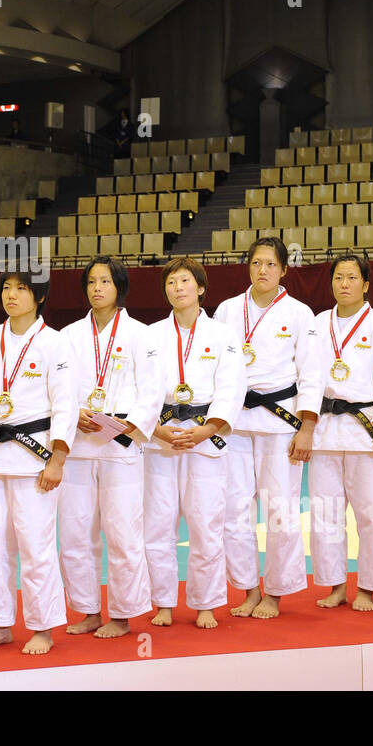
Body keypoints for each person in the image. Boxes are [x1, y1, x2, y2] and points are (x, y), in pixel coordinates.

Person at [0, 270, 75, 655]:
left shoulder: (54, 343)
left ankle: (43, 627)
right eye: (6, 288)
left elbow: (66, 403)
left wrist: (57, 459)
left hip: (34, 458)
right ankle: (1, 623)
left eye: (21, 289)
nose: (12, 295)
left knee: (35, 545)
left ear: (39, 297)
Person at [212, 236, 323, 619]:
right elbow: (215, 367)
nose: (263, 271)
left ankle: (275, 591)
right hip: (235, 421)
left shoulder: (300, 313)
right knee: (234, 508)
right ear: (248, 267)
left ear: (284, 270)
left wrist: (307, 428)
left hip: (281, 421)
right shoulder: (227, 310)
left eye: (270, 265)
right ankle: (247, 588)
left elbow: (312, 375)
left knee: (280, 509)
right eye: (256, 263)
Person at [57, 257, 163, 638]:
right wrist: (75, 413)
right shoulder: (67, 336)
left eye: (105, 281)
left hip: (120, 442)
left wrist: (128, 427)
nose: (97, 288)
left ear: (119, 287)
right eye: (91, 282)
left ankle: (122, 613)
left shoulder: (141, 334)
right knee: (75, 531)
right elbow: (59, 388)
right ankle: (87, 610)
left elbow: (153, 391)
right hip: (80, 442)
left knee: (122, 530)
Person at [143, 257, 246, 629]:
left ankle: (206, 602)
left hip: (205, 438)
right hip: (162, 437)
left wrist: (209, 429)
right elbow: (140, 390)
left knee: (206, 524)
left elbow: (232, 387)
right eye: (171, 282)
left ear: (201, 288)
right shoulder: (150, 335)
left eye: (185, 281)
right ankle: (164, 602)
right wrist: (154, 428)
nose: (178, 288)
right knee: (157, 525)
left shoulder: (222, 335)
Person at [303, 254, 373, 612]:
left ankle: (368, 587)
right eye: (338, 277)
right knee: (325, 513)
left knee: (371, 514)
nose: (344, 284)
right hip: (325, 429)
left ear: (365, 284)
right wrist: (305, 424)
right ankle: (335, 585)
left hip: (367, 430)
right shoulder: (316, 325)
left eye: (351, 277)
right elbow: (307, 380)